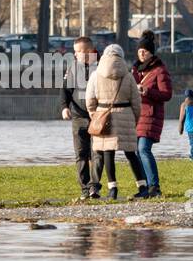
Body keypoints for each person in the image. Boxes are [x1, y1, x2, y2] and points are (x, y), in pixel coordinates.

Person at [84, 43, 149, 200]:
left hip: (103, 113)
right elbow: (136, 101)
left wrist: (94, 114)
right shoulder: (127, 75)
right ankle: (142, 186)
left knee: (107, 152)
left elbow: (89, 99)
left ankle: (112, 189)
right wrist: (133, 119)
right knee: (131, 153)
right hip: (125, 113)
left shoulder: (96, 74)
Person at [131, 29, 172, 197]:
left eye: (145, 51)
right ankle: (145, 187)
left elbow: (167, 94)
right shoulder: (135, 70)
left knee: (144, 149)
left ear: (151, 52)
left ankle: (154, 186)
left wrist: (146, 91)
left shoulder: (160, 70)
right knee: (137, 151)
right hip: (137, 115)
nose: (141, 54)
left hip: (151, 115)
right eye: (140, 51)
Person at [60, 36, 100, 199]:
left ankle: (94, 187)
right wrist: (64, 107)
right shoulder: (72, 68)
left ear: (89, 51)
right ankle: (84, 188)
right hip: (78, 117)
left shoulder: (100, 68)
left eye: (79, 52)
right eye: (75, 52)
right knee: (81, 154)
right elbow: (65, 90)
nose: (75, 55)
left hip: (98, 117)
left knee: (97, 153)